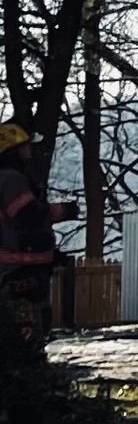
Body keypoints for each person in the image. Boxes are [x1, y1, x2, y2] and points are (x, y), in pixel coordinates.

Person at [0, 124, 63, 348]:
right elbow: (28, 218)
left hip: (17, 268)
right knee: (27, 329)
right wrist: (60, 211)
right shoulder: (12, 180)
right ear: (12, 151)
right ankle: (30, 377)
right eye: (25, 146)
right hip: (19, 270)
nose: (29, 151)